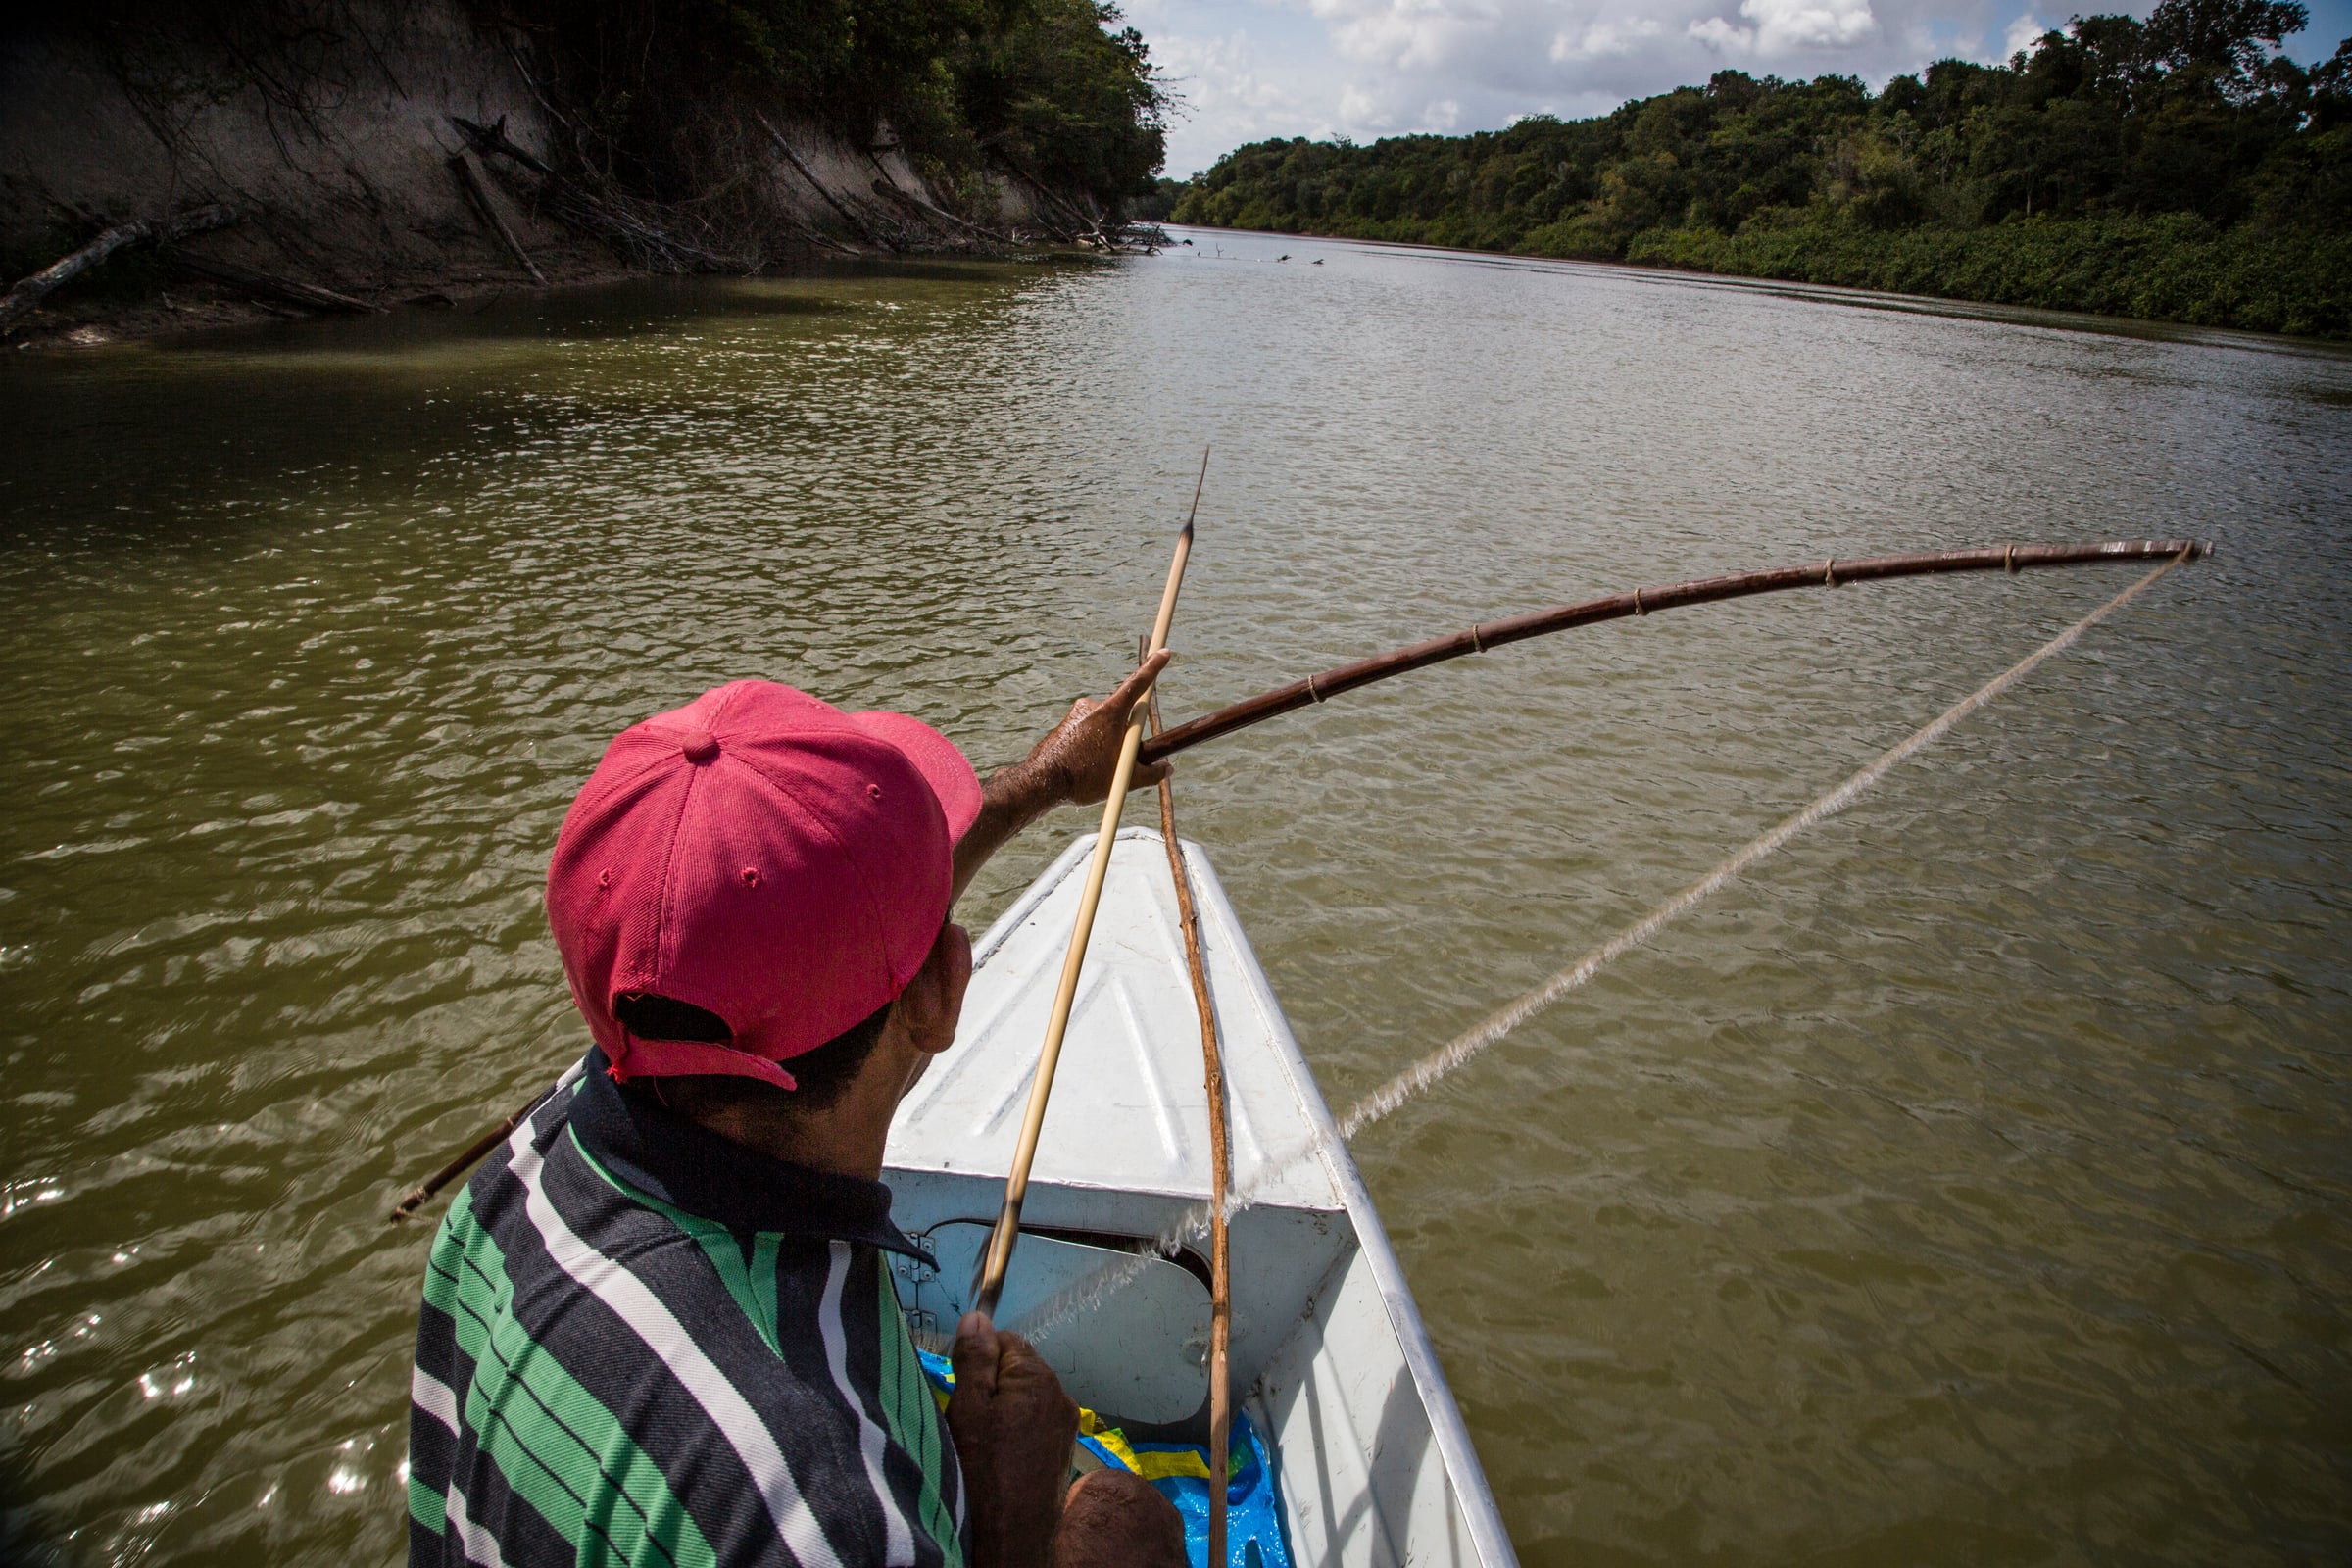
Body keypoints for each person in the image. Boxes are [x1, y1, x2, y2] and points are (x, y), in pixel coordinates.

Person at [406, 657, 1190, 1568]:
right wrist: (1003, 1532)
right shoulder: (819, 1520)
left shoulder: (523, 1174)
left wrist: (1044, 782)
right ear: (940, 995)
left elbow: (808, 954)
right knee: (1126, 1530)